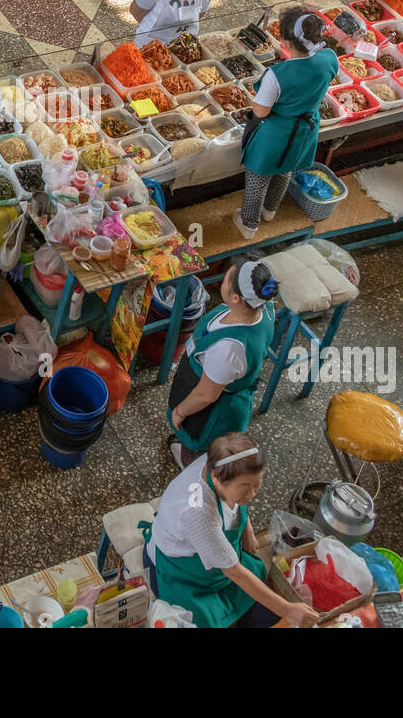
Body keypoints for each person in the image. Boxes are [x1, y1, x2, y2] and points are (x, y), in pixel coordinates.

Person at [145, 433, 319, 629]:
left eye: (257, 484)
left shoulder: (220, 462)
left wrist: (248, 531)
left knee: (259, 591)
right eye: (245, 487)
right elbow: (234, 572)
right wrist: (287, 609)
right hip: (181, 573)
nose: (252, 494)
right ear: (216, 478)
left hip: (218, 565)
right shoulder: (198, 512)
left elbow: (238, 503)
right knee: (205, 620)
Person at [235, 6, 338, 237]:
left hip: (275, 135)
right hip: (306, 130)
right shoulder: (329, 58)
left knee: (257, 179)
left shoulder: (277, 74)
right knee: (285, 171)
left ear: (287, 43)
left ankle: (248, 225)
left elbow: (260, 112)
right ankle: (270, 211)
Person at [167, 262, 275, 470]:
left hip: (213, 408)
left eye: (226, 279)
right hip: (212, 382)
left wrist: (181, 411)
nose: (223, 280)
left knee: (199, 443)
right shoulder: (264, 307)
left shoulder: (229, 349)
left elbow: (206, 395)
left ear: (236, 298)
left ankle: (188, 464)